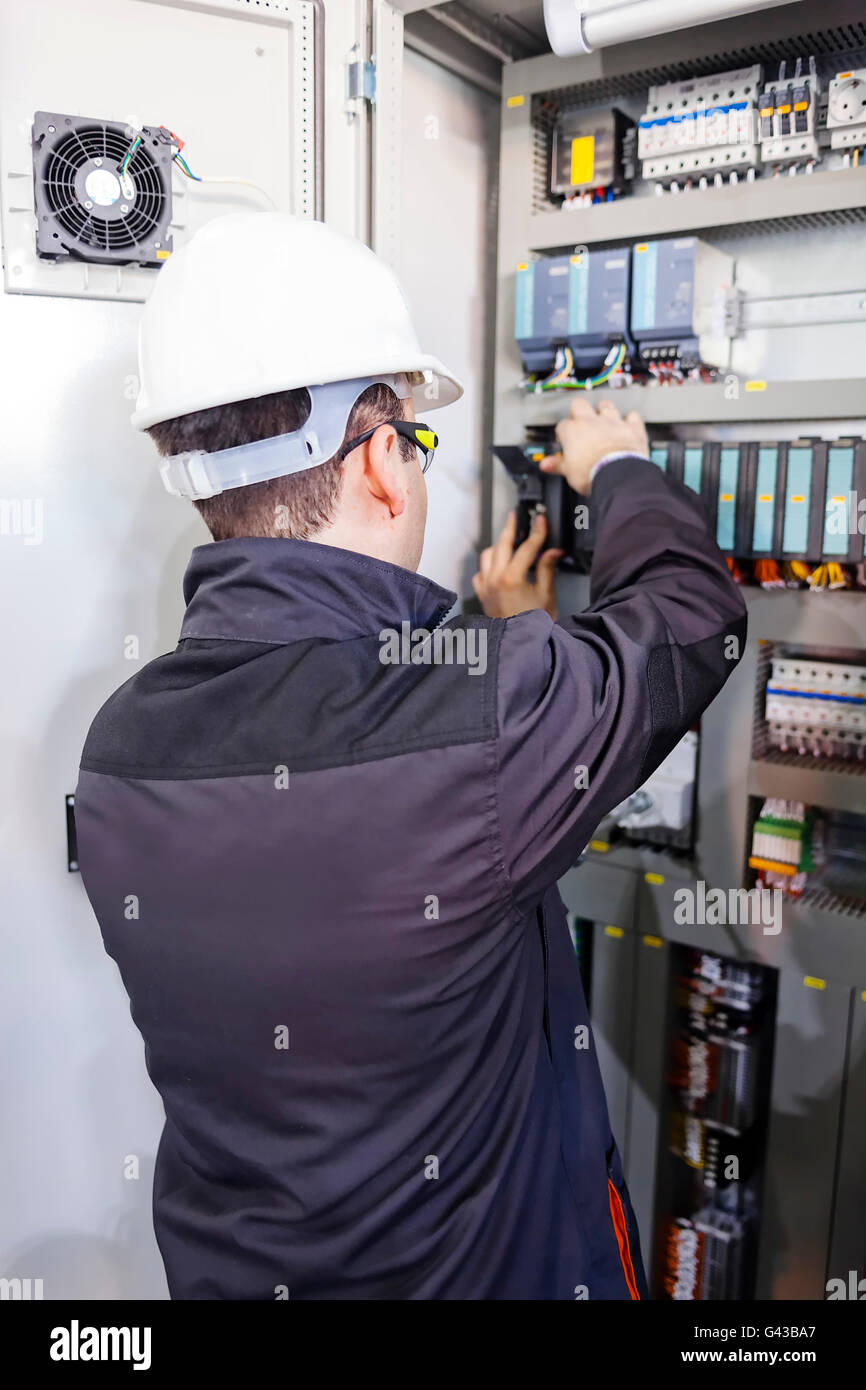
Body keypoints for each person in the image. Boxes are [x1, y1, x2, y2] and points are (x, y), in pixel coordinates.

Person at [75, 211, 746, 1300]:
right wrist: (618, 466)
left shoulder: (121, 749)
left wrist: (489, 653)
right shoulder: (475, 725)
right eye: (415, 447)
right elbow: (689, 614)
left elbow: (354, 807)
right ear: (386, 464)